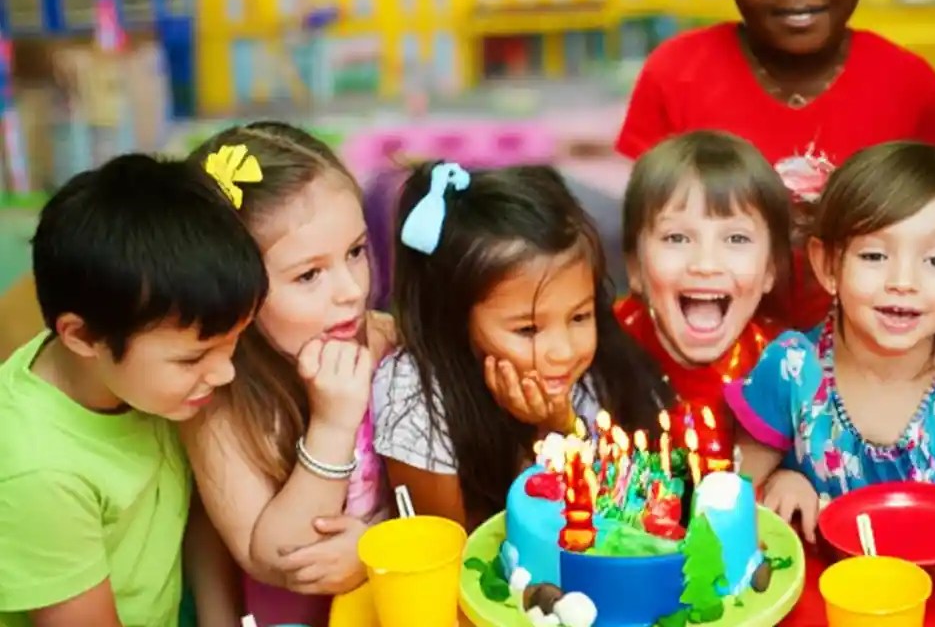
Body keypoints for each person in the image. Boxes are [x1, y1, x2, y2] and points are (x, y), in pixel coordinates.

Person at [618, 0, 935, 329]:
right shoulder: (674, 74)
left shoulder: (909, 85)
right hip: (707, 351)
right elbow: (644, 239)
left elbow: (933, 239)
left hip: (867, 357)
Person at [729, 142, 935, 579]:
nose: (903, 282)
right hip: (820, 591)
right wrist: (779, 482)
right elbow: (730, 488)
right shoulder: (793, 367)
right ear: (827, 266)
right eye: (874, 256)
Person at [0, 155, 267, 626]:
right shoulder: (37, 469)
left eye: (232, 345)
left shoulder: (145, 377)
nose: (225, 373)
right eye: (193, 358)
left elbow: (197, 505)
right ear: (82, 337)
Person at [373, 161, 673, 528]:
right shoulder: (415, 397)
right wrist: (529, 440)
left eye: (580, 317)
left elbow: (618, 516)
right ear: (454, 319)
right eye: (528, 330)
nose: (563, 351)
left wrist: (557, 426)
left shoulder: (598, 372)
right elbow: (450, 549)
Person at [182, 123, 397, 627]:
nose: (351, 290)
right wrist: (333, 423)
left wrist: (373, 549)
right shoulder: (220, 403)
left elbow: (449, 497)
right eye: (308, 275)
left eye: (356, 252)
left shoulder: (392, 344)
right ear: (236, 291)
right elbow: (281, 558)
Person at [617, 130, 792, 447]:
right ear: (634, 268)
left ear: (769, 270)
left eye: (736, 239)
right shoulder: (600, 352)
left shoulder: (787, 369)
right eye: (676, 238)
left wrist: (791, 477)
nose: (706, 264)